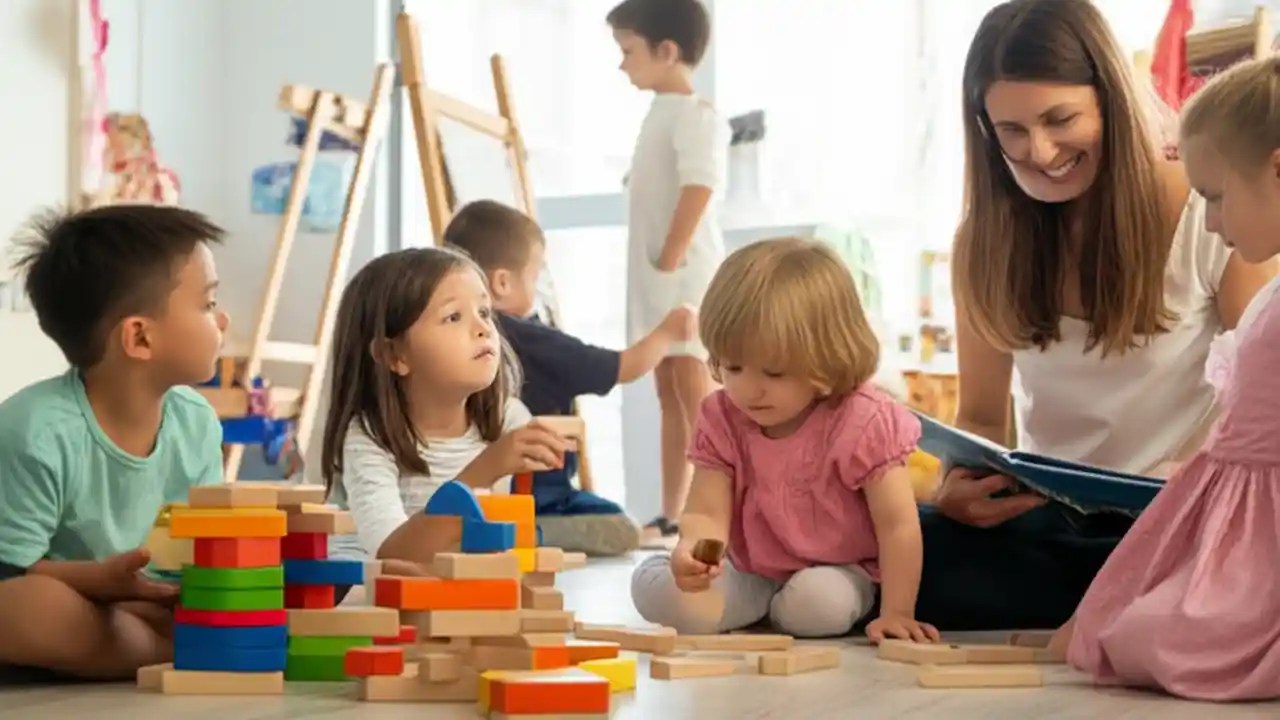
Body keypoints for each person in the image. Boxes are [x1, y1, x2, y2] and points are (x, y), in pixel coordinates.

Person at [916, 0, 1275, 631]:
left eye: (1061, 119)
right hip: (1050, 519)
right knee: (902, 548)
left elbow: (1253, 398)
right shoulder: (983, 242)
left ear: (1110, 101)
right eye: (1013, 131)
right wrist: (957, 490)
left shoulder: (1210, 211)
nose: (1041, 150)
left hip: (1173, 517)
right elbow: (979, 419)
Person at [1055, 55, 1280, 702]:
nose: (1209, 221)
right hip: (1236, 525)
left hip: (1258, 543)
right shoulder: (1270, 300)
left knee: (1153, 638)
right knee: (1123, 621)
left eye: (1216, 196)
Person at [631, 238, 941, 641]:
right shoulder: (722, 414)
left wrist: (898, 612)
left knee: (820, 604)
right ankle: (762, 609)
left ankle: (766, 614)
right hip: (752, 573)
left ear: (829, 356)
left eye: (773, 373)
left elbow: (898, 525)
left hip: (839, 572)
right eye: (733, 366)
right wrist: (692, 550)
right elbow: (707, 509)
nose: (748, 390)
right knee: (651, 587)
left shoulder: (864, 419)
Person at [0, 205, 228, 681]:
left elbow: (204, 542)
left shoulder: (197, 423)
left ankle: (144, 647)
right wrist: (102, 582)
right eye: (207, 305)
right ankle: (152, 651)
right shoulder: (35, 431)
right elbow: (12, 575)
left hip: (151, 608)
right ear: (139, 337)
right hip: (73, 604)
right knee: (28, 608)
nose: (223, 320)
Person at [443, 200, 698, 556]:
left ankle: (487, 528)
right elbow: (624, 366)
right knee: (618, 527)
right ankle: (514, 534)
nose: (539, 286)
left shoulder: (449, 336)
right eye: (535, 275)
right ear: (502, 282)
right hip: (536, 495)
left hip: (470, 486)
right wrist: (669, 331)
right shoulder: (527, 337)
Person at [320, 246, 570, 582]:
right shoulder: (369, 436)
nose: (483, 328)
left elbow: (495, 544)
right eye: (454, 317)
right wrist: (484, 470)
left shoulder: (508, 417)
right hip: (370, 594)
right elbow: (393, 557)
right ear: (394, 354)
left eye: (484, 311)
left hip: (455, 590)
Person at [608, 0, 728, 540]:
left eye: (628, 52)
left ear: (667, 51)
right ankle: (674, 510)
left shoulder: (695, 113)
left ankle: (709, 509)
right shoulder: (659, 111)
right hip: (659, 279)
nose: (622, 65)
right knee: (668, 395)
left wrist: (672, 256)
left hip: (681, 278)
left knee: (694, 394)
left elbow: (699, 183)